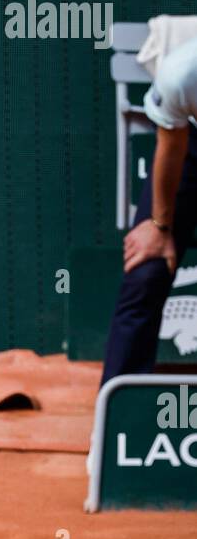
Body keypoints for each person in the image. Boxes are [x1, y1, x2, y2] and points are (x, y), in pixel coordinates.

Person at [102, 35, 197, 386]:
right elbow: (172, 145)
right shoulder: (183, 72)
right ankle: (116, 421)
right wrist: (159, 226)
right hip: (191, 149)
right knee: (146, 271)